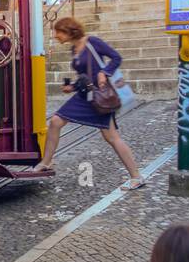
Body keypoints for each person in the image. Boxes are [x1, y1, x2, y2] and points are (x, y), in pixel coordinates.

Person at [36, 16, 144, 191]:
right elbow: (84, 76)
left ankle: (136, 177)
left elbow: (116, 58)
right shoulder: (74, 49)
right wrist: (71, 87)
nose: (56, 36)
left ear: (69, 30)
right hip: (85, 96)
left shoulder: (92, 42)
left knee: (112, 137)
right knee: (55, 121)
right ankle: (46, 162)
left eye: (58, 32)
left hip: (101, 97)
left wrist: (104, 72)